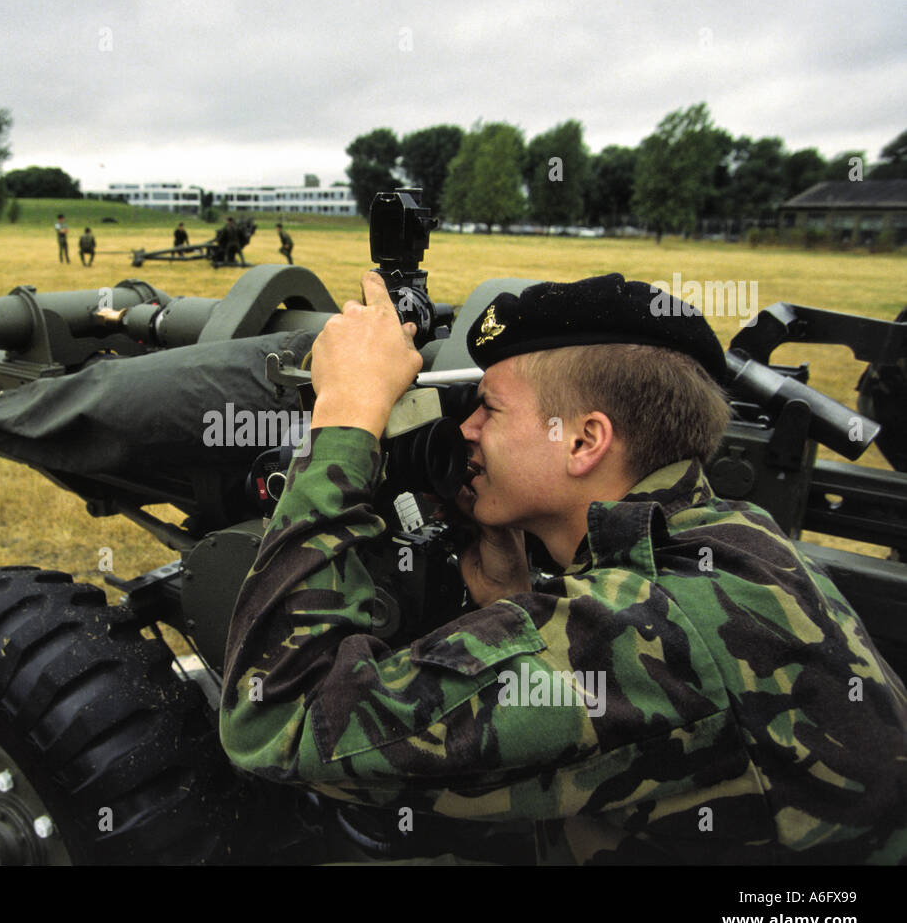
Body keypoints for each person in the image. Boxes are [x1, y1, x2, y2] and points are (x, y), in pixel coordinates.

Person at [219, 270, 907, 864]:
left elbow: (278, 722)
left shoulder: (649, 624)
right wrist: (513, 601)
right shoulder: (734, 535)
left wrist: (345, 422)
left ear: (583, 441)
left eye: (488, 408)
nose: (465, 431)